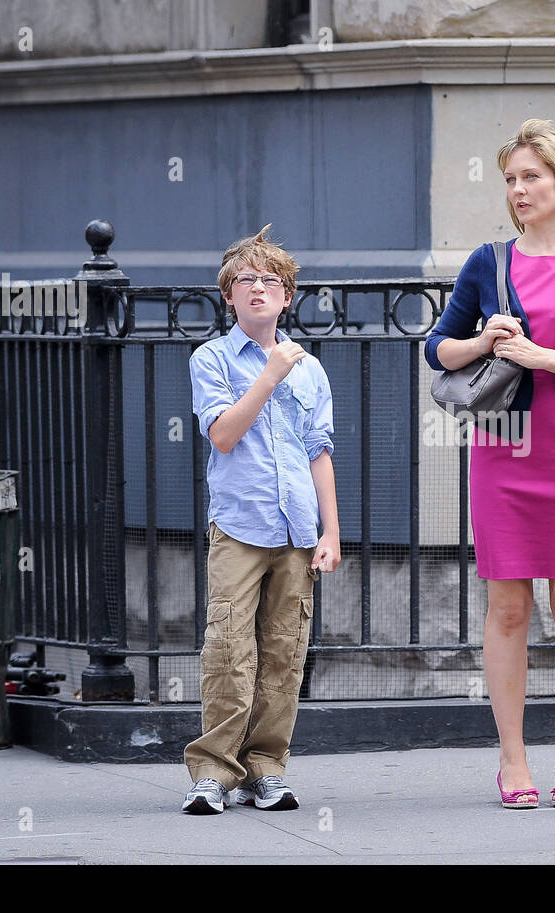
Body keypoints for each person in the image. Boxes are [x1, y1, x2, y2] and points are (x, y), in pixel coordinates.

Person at [425, 119, 555, 808]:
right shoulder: (488, 263)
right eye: (510, 179)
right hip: (503, 450)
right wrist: (483, 337)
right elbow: (438, 351)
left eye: (530, 177)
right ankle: (512, 761)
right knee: (508, 605)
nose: (517, 190)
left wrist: (549, 360)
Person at [181, 225, 341, 815]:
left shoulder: (312, 369)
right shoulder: (212, 359)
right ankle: (213, 774)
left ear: (287, 295)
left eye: (270, 280)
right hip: (240, 527)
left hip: (298, 530)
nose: (258, 289)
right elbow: (222, 434)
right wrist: (269, 373)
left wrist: (331, 531)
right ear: (228, 294)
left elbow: (318, 450)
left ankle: (265, 769)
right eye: (245, 280)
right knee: (228, 649)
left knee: (284, 652)